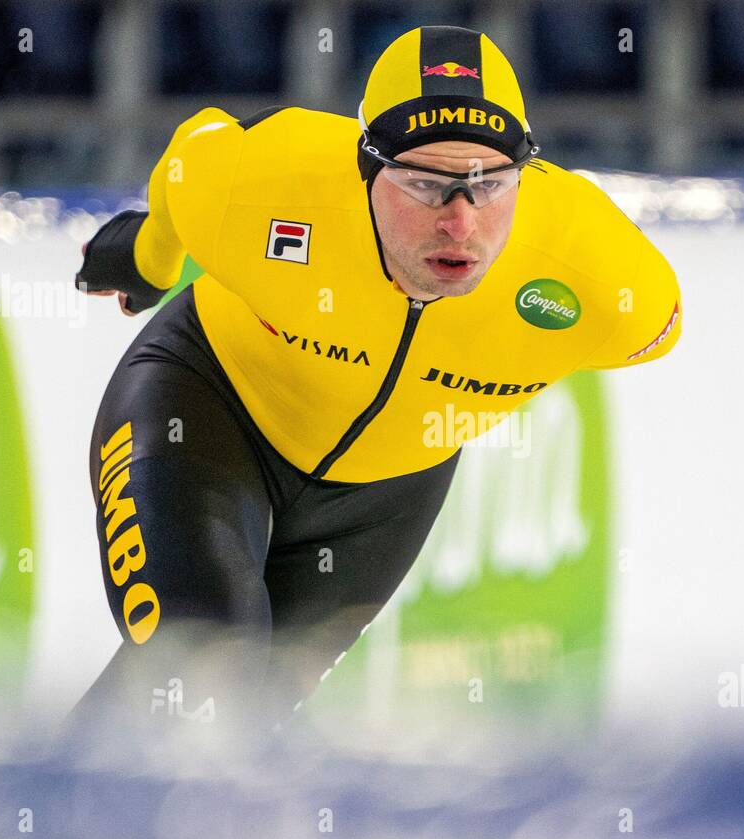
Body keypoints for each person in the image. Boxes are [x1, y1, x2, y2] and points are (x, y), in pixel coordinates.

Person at [67, 25, 682, 741]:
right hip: (205, 411)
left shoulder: (600, 278)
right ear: (365, 170)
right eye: (424, 184)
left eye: (490, 185)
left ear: (528, 174)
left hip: (382, 499)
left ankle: (37, 812)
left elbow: (664, 327)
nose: (460, 221)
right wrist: (150, 257)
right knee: (205, 667)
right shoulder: (267, 182)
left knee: (236, 732)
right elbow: (187, 161)